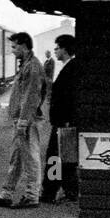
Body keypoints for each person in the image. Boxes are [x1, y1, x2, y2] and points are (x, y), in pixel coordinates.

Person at [0, 32, 46, 209]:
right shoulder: (27, 65)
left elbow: (31, 96)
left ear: (24, 46)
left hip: (26, 120)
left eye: (14, 46)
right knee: (16, 158)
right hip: (21, 118)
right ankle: (6, 194)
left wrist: (23, 121)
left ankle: (32, 196)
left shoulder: (32, 67)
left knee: (30, 157)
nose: (12, 50)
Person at [40, 34, 79, 203]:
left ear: (64, 49)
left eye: (57, 48)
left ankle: (50, 192)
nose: (55, 51)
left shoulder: (72, 69)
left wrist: (65, 121)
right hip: (64, 122)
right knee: (67, 158)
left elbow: (70, 98)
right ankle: (70, 191)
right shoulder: (69, 67)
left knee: (54, 158)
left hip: (64, 123)